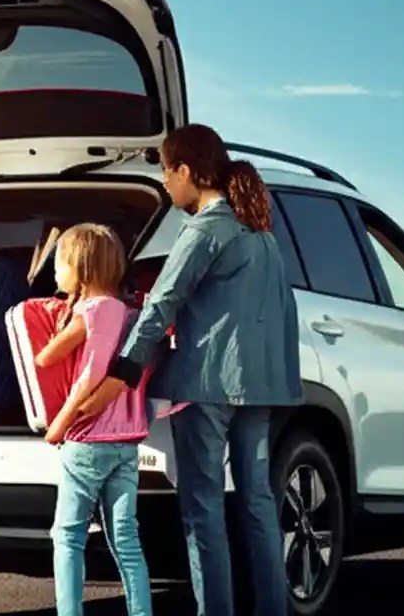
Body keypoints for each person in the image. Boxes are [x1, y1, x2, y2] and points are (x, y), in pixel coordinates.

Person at [85, 124, 304, 616]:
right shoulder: (263, 237)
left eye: (166, 173)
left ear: (184, 170)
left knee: (203, 510)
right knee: (258, 504)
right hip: (261, 388)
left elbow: (163, 302)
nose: (165, 184)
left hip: (205, 387)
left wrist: (124, 369)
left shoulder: (207, 229)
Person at [34, 223, 154, 616]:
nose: (55, 271)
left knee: (67, 535)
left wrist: (59, 425)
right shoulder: (129, 312)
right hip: (127, 442)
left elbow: (56, 362)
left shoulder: (88, 312)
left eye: (61, 263)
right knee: (126, 537)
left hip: (87, 441)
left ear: (81, 269)